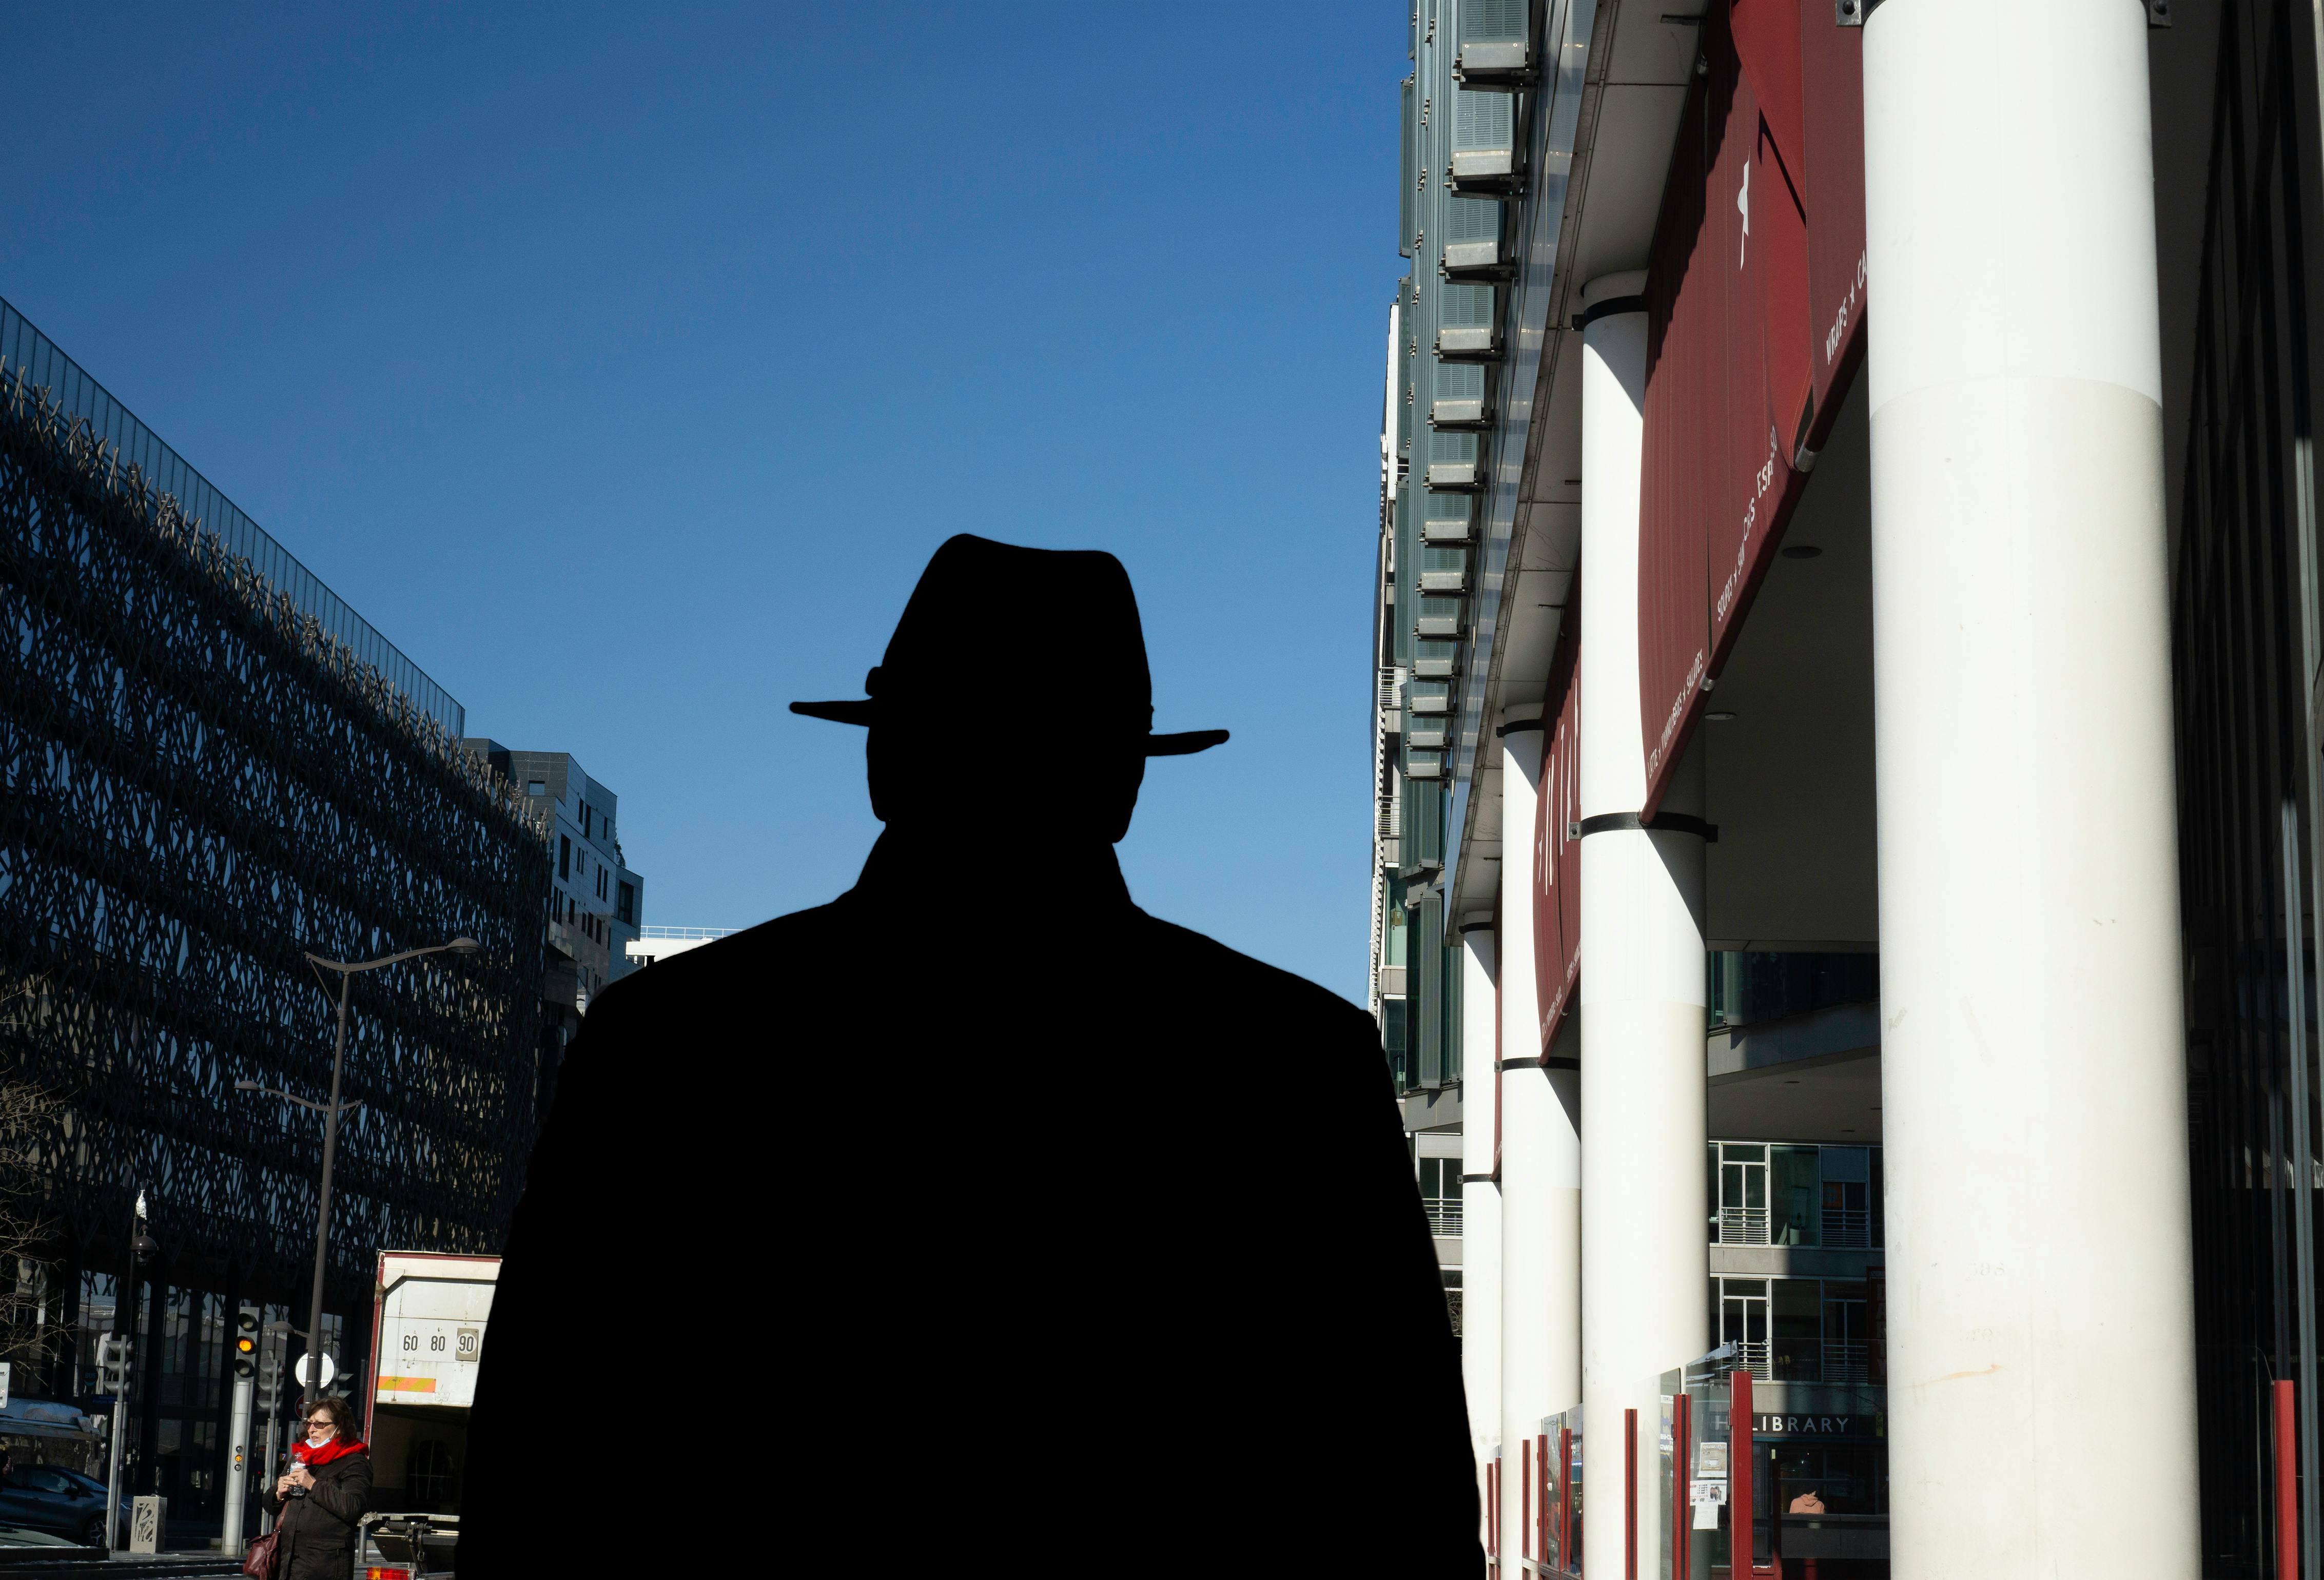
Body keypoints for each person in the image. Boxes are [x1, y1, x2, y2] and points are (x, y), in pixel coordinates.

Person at [461, 536, 1481, 1576]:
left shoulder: (662, 1054)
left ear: (881, 760)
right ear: (1123, 781)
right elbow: (1408, 1511)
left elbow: (533, 1482)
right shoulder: (1294, 1070)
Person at [269, 1396, 369, 1580]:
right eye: (309, 1423)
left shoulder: (354, 1461)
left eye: (320, 1424)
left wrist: (313, 1485)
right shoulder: (301, 1456)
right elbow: (269, 1503)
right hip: (289, 1563)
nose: (312, 1429)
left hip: (325, 1566)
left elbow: (353, 1506)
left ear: (339, 1428)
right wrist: (278, 1493)